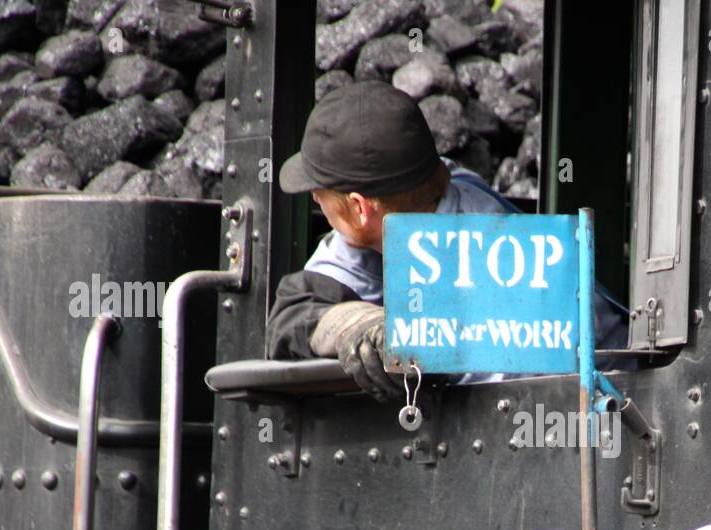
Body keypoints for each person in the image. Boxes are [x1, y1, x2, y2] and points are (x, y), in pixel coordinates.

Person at [269, 81, 628, 403]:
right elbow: (295, 309)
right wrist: (359, 325)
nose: (316, 202)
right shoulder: (421, 190)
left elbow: (485, 418)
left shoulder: (501, 277)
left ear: (360, 209)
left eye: (319, 194)